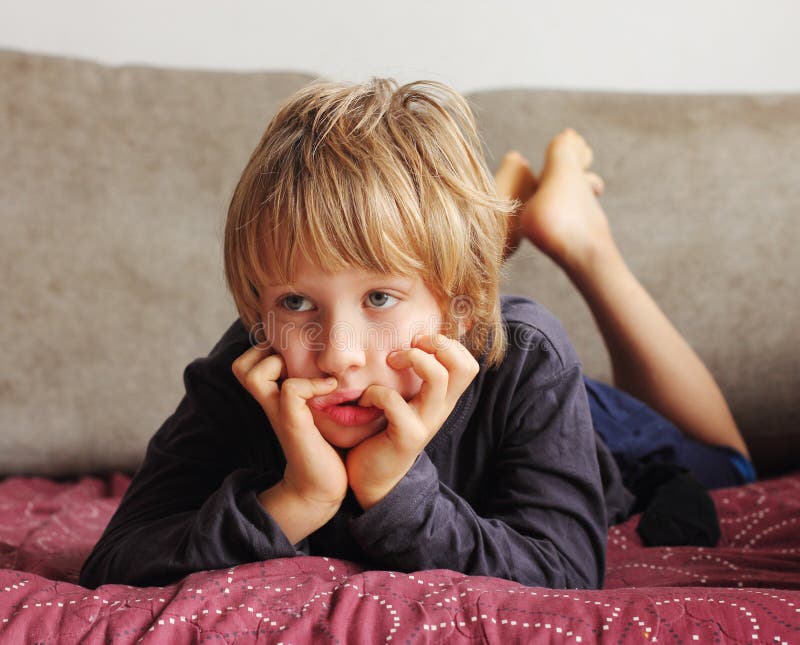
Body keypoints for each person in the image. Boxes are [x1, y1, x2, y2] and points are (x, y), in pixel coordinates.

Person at [79, 78, 754, 591]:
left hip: (584, 421)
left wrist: (397, 489)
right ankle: (479, 232)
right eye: (296, 300)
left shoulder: (531, 361)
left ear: (458, 311)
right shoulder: (250, 363)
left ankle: (574, 235)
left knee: (730, 464)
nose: (339, 354)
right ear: (261, 310)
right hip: (447, 312)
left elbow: (566, 572)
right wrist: (296, 499)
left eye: (378, 295)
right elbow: (114, 558)